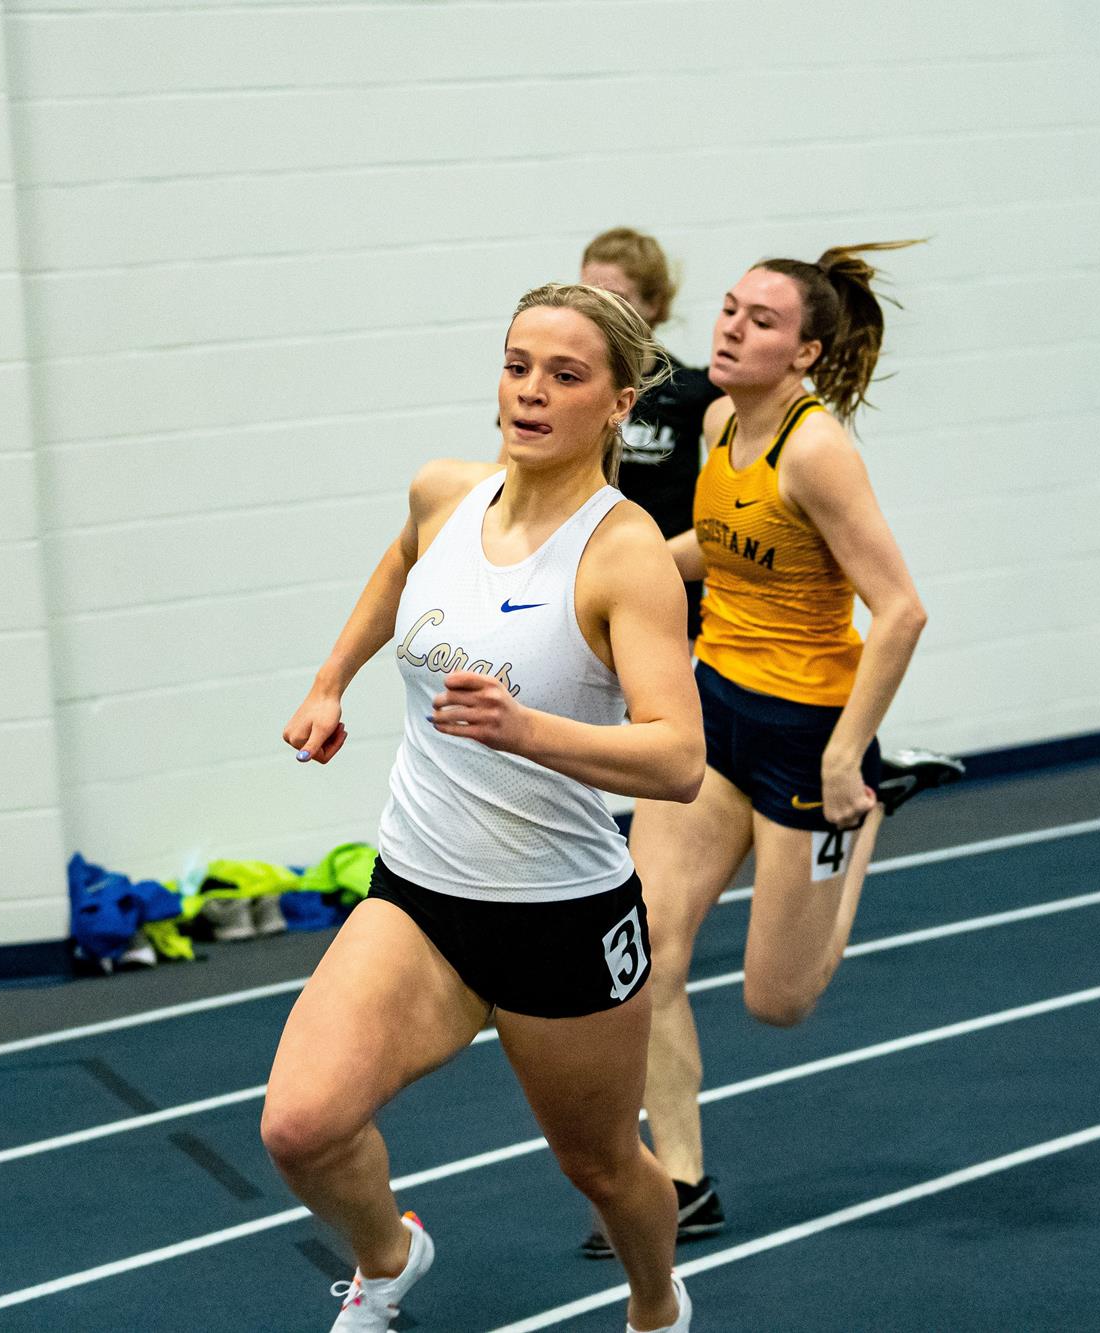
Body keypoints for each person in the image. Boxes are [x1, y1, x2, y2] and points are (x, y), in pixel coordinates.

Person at [264, 282, 705, 1332]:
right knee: (301, 1125)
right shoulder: (443, 493)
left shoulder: (624, 555)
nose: (531, 391)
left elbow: (678, 757)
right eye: (516, 365)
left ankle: (656, 1303)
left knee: (601, 1167)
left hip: (557, 916)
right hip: (418, 891)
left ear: (619, 402)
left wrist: (529, 729)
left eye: (564, 374)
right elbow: (398, 564)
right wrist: (332, 678)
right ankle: (388, 1256)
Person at [585, 243, 957, 1259]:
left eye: (759, 319)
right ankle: (682, 1180)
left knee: (775, 1000)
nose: (730, 327)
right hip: (713, 715)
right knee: (645, 950)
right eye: (729, 308)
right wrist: (620, 577)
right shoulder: (715, 420)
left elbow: (900, 611)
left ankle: (867, 809)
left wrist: (844, 760)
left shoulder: (815, 449)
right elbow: (724, 539)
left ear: (804, 352)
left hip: (805, 737)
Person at [579, 227, 724, 639]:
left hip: (664, 583)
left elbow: (727, 517)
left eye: (618, 299)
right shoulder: (564, 386)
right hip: (580, 580)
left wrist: (645, 566)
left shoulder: (695, 392)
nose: (601, 311)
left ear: (654, 304)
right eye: (589, 296)